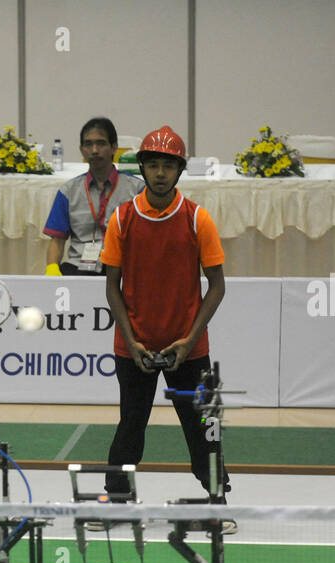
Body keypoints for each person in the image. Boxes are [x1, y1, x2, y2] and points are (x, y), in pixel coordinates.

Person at [99, 125, 229, 500]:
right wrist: (131, 339)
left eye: (167, 166)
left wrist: (189, 340)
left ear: (179, 170)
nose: (159, 173)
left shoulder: (197, 219)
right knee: (131, 426)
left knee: (201, 425)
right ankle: (118, 499)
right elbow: (112, 287)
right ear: (141, 168)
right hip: (134, 348)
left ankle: (217, 500)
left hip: (188, 348)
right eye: (152, 165)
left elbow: (217, 286)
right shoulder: (122, 219)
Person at [42, 117, 142, 276]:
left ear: (114, 147)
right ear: (82, 150)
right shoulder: (68, 191)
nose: (94, 150)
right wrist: (52, 268)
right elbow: (57, 240)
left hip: (122, 269)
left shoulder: (137, 190)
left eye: (101, 143)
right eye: (88, 144)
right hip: (78, 267)